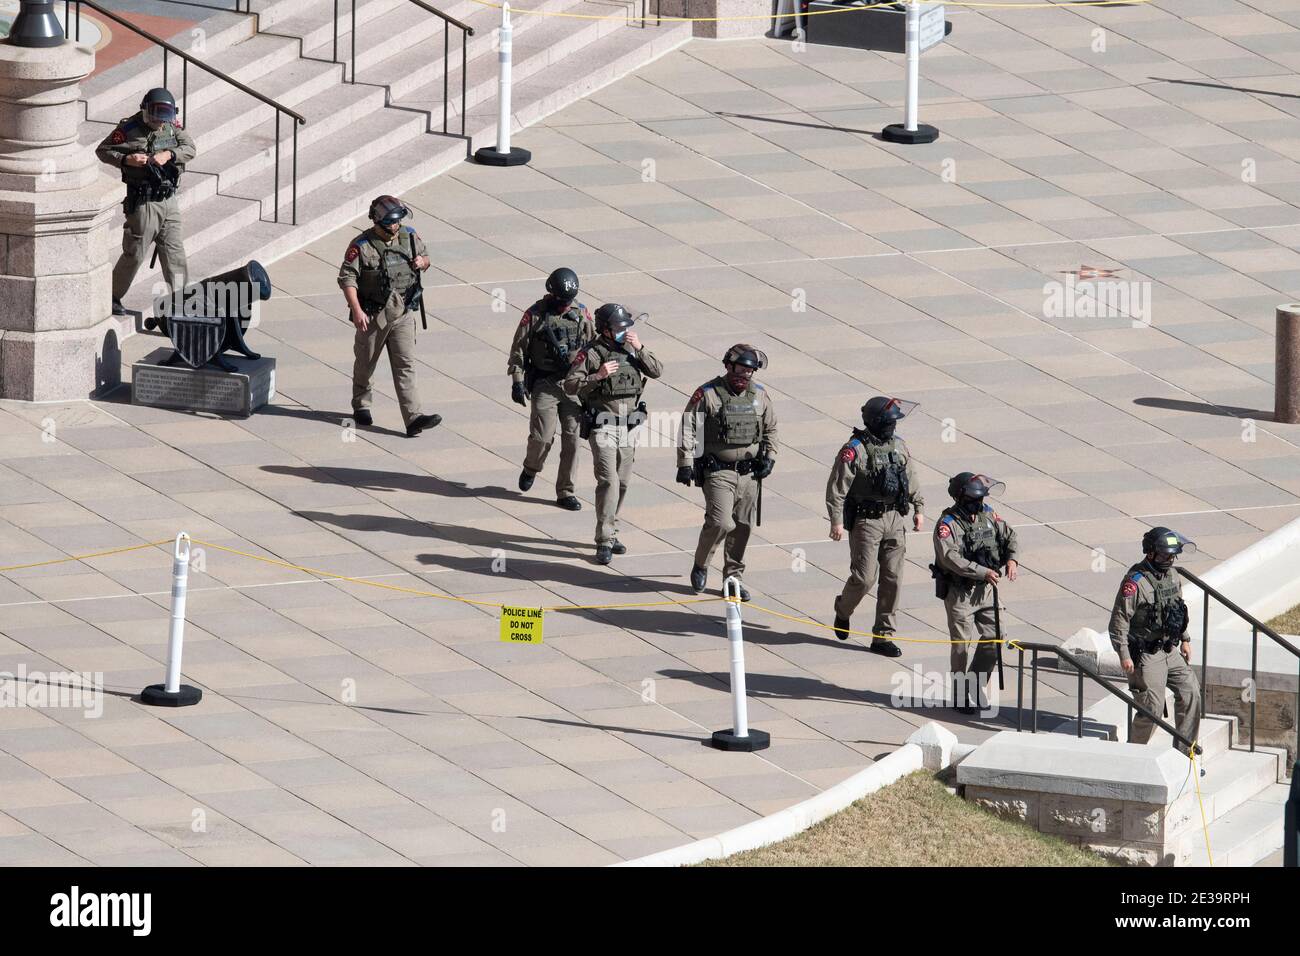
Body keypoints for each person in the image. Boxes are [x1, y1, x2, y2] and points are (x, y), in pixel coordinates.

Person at [677, 344, 778, 601]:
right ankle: (701, 564)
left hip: (749, 474)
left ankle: (733, 578)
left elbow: (771, 429)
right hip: (718, 472)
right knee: (721, 522)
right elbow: (689, 427)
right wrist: (685, 463)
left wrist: (770, 457)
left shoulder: (760, 396)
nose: (745, 375)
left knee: (742, 527)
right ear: (728, 366)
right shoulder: (708, 394)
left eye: (750, 371)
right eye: (741, 369)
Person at [563, 305, 663, 564]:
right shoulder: (592, 354)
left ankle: (612, 527)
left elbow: (657, 370)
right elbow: (571, 384)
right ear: (605, 329)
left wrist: (640, 348)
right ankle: (604, 539)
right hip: (603, 426)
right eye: (619, 328)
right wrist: (597, 376)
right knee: (608, 481)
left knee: (623, 482)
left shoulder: (632, 351)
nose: (624, 332)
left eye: (626, 328)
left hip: (628, 427)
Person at [826, 397, 924, 657]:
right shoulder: (855, 449)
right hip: (866, 521)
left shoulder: (899, 446)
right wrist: (836, 520)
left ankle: (883, 636)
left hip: (894, 518)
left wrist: (919, 509)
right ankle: (843, 610)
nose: (892, 426)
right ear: (875, 421)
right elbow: (837, 488)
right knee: (864, 577)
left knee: (893, 579)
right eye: (888, 421)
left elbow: (910, 478)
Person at [338, 195, 440, 437]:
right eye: (391, 223)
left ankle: (413, 417)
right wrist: (357, 310)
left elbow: (427, 258)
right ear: (378, 222)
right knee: (366, 363)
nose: (395, 227)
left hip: (403, 312)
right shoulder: (361, 246)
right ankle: (361, 404)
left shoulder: (409, 236)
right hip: (374, 315)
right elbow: (347, 278)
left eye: (398, 222)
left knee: (406, 365)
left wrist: (422, 262)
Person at [96, 88, 195, 317]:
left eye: (164, 119)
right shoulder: (128, 129)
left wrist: (169, 154)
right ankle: (111, 296)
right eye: (155, 119)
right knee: (135, 252)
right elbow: (103, 150)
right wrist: (126, 159)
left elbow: (190, 148)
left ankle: (181, 304)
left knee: (174, 252)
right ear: (146, 112)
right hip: (144, 202)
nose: (160, 124)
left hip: (168, 199)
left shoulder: (171, 126)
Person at [931, 473, 1019, 714]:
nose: (977, 503)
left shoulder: (987, 514)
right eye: (972, 498)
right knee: (961, 647)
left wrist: (1012, 559)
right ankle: (960, 696)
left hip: (987, 591)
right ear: (960, 497)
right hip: (961, 593)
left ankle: (975, 682)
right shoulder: (947, 525)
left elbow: (1009, 535)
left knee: (997, 635)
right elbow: (951, 558)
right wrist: (982, 572)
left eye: (980, 498)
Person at [1109, 527, 1201, 755]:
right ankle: (1134, 756)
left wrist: (1185, 640)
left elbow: (1178, 609)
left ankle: (1184, 752)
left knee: (1191, 692)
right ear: (1150, 553)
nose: (1169, 560)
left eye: (1172, 555)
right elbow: (1119, 622)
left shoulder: (1172, 574)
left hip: (1170, 649)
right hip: (1147, 654)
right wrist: (1124, 655)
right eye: (1164, 555)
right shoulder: (1135, 582)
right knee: (1152, 706)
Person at [507, 267, 593, 510]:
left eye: (569, 300)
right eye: (562, 300)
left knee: (572, 441)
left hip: (574, 385)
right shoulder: (534, 315)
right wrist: (517, 380)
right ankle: (531, 467)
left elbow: (593, 347)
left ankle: (566, 491)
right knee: (542, 437)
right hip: (545, 383)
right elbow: (518, 350)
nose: (566, 305)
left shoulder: (582, 313)